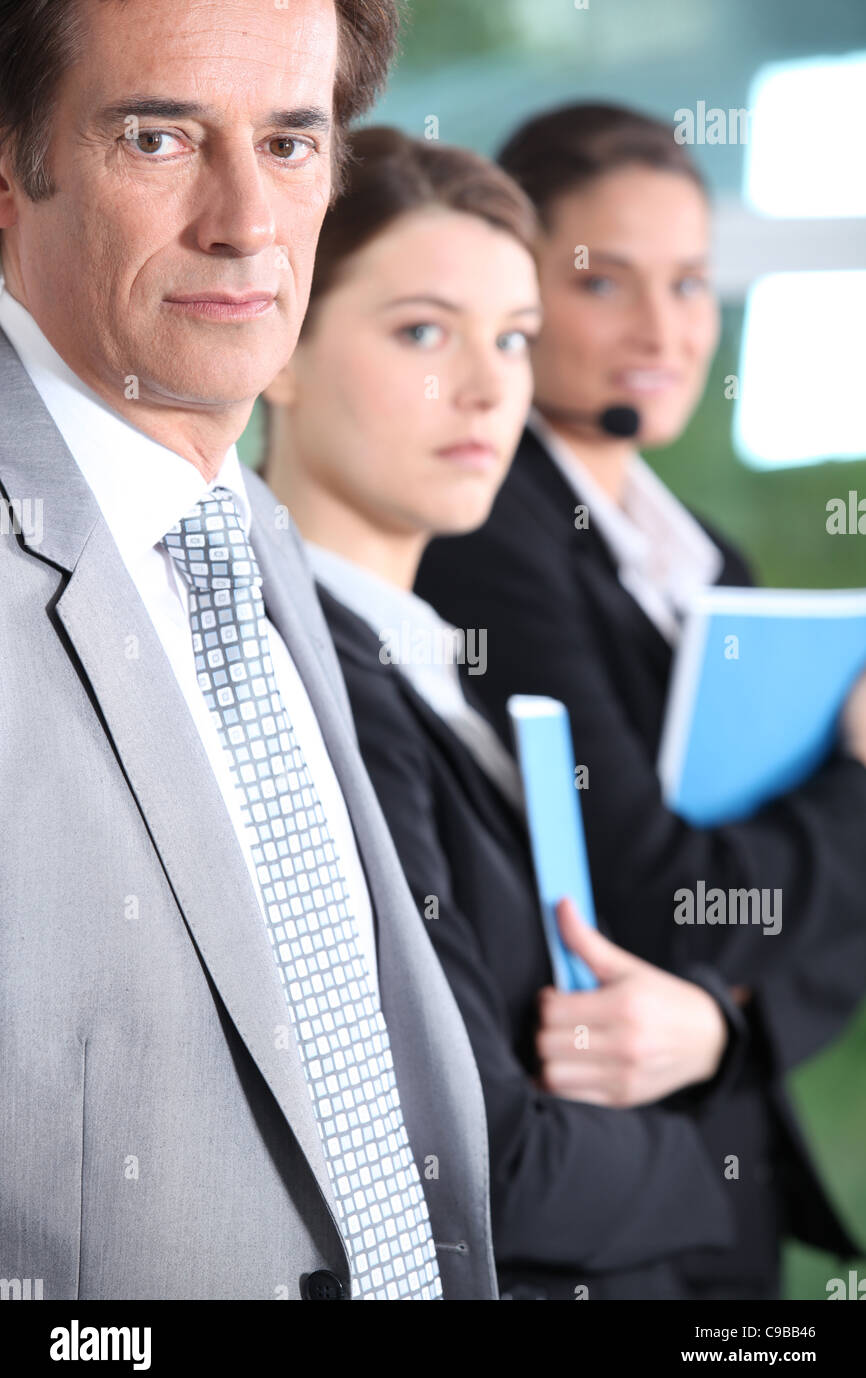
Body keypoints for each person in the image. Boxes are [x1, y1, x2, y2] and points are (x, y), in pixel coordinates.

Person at [0, 0, 499, 1302]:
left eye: (290, 141)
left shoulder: (248, 527)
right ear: (10, 169)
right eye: (159, 137)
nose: (247, 222)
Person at [259, 124, 793, 1300]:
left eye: (512, 336)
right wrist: (712, 1164)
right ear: (279, 347)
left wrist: (691, 1029)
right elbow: (473, 1161)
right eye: (420, 332)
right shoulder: (303, 688)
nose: (492, 384)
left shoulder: (454, 681)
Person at [415, 103, 866, 1296]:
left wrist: (724, 1023)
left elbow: (820, 932)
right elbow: (659, 898)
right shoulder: (486, 530)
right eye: (603, 282)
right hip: (610, 1203)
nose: (663, 331)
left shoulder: (706, 561)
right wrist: (858, 783)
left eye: (688, 284)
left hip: (722, 1171)